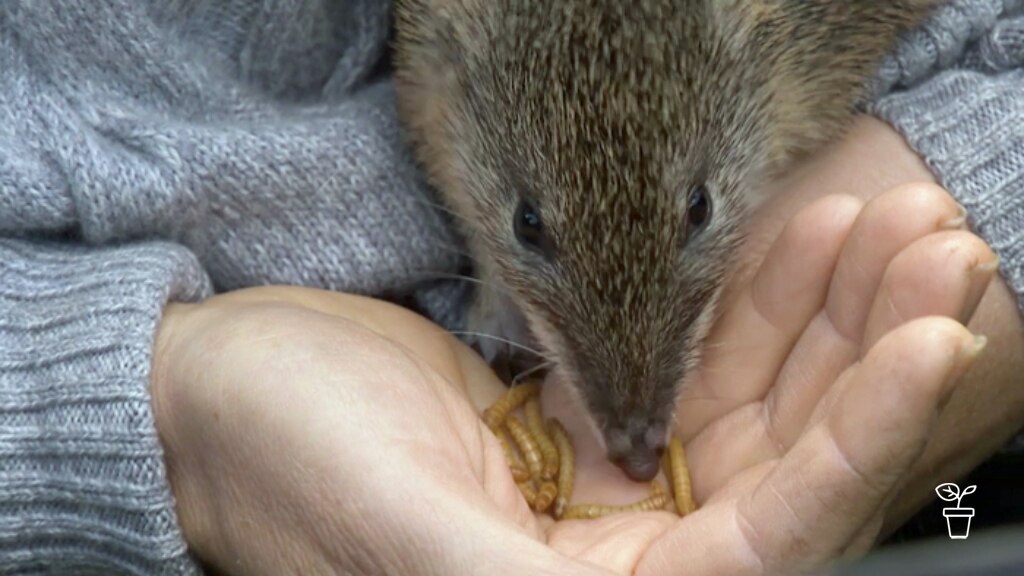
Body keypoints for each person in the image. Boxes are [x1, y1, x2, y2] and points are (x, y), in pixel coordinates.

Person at [0, 1, 1020, 574]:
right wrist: (155, 409)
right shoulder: (456, 47)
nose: (633, 425)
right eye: (535, 230)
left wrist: (971, 199)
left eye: (695, 214)